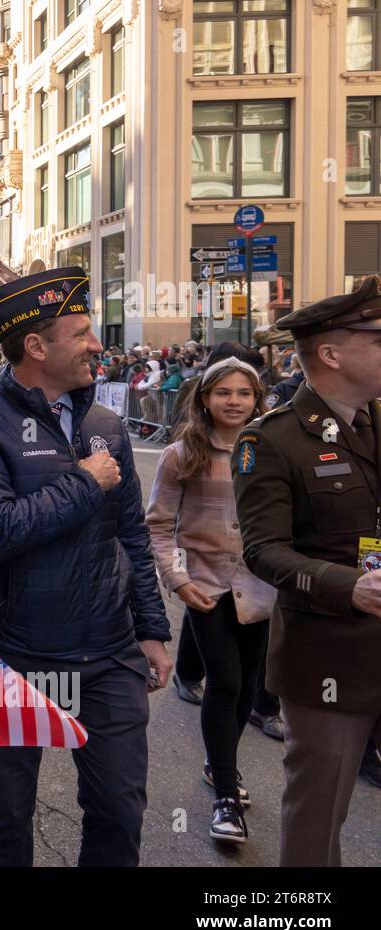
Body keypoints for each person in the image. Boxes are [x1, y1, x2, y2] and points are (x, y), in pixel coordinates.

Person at [0, 267, 172, 867]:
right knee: (11, 810)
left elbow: (131, 535)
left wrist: (150, 628)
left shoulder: (106, 425)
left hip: (110, 652)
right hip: (14, 653)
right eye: (83, 334)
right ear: (37, 348)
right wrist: (82, 483)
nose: (98, 346)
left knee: (120, 809)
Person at [233, 276, 381, 866]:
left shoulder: (375, 422)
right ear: (331, 353)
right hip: (330, 656)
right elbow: (264, 551)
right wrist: (352, 587)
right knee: (318, 821)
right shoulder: (271, 441)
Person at [146, 357, 275, 845]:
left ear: (256, 400)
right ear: (205, 398)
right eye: (224, 393)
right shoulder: (182, 453)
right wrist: (176, 579)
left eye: (244, 393)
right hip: (206, 586)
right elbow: (158, 524)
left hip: (262, 587)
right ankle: (226, 795)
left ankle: (220, 762)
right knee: (225, 682)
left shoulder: (270, 450)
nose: (235, 402)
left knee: (248, 687)